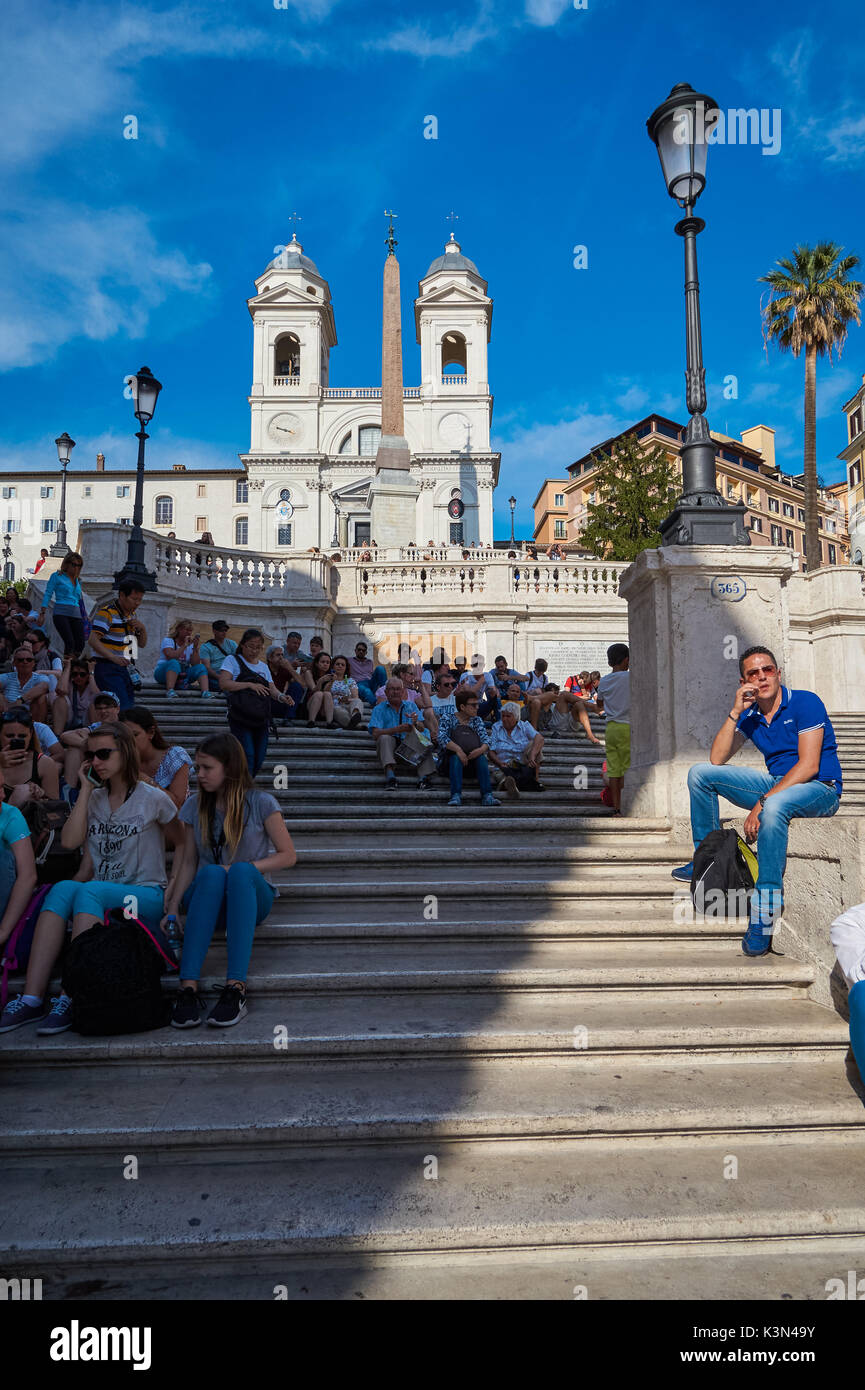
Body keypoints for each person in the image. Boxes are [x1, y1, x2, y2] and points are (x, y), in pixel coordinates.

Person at [0, 721, 180, 1035]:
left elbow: (185, 846)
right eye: (91, 755)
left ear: (125, 753)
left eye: (103, 754)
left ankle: (72, 996)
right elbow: (70, 844)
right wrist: (84, 790)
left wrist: (174, 898)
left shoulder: (154, 799)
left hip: (143, 898)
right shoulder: (93, 799)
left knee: (89, 891)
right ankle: (31, 999)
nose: (95, 761)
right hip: (101, 893)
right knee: (63, 888)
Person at [671, 645, 842, 958]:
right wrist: (736, 711)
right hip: (777, 783)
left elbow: (808, 766)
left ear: (778, 673)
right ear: (743, 680)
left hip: (819, 787)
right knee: (700, 773)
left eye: (767, 670)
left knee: (775, 807)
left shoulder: (805, 702)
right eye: (753, 673)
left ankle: (764, 912)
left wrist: (762, 802)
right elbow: (717, 757)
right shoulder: (750, 715)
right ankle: (704, 859)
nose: (762, 677)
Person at [162, 734, 297, 1028]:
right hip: (207, 897)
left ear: (230, 768)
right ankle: (187, 989)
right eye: (198, 767)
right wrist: (172, 908)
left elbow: (288, 856)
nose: (199, 775)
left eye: (207, 768)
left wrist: (243, 868)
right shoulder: (195, 805)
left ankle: (235, 989)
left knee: (237, 871)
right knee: (211, 872)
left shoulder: (262, 802)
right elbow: (187, 863)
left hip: (249, 895)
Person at [218, 628, 292, 775]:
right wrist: (250, 685)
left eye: (258, 647)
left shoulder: (263, 667)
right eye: (251, 646)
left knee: (259, 757)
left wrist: (282, 697)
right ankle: (244, 790)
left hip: (261, 717)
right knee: (248, 754)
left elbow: (272, 689)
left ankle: (246, 785)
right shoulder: (232, 660)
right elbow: (224, 684)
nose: (254, 650)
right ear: (243, 645)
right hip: (241, 715)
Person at [368, 677, 437, 791]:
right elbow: (375, 733)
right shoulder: (379, 709)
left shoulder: (411, 706)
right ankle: (390, 777)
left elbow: (421, 728)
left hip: (409, 748)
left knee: (424, 738)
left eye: (398, 689)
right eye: (391, 689)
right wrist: (396, 730)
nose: (395, 692)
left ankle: (424, 779)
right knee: (384, 738)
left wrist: (416, 723)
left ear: (403, 691)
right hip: (390, 749)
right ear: (386, 692)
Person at [437, 687, 501, 808]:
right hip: (450, 762)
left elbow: (486, 739)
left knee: (482, 758)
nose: (477, 707)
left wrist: (481, 750)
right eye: (473, 705)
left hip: (472, 760)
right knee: (455, 757)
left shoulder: (477, 720)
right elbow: (441, 738)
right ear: (462, 707)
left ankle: (487, 795)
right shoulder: (448, 717)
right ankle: (455, 795)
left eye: (477, 704)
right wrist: (458, 750)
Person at [88, 579, 147, 710]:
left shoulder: (132, 616)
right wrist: (113, 657)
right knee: (121, 708)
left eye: (140, 600)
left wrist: (142, 629)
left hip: (126, 668)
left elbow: (141, 644)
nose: (137, 603)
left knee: (128, 708)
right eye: (134, 599)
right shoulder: (107, 613)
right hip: (107, 667)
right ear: (121, 595)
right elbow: (92, 639)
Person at [121, 706, 194, 810]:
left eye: (135, 735)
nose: (128, 741)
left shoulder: (175, 756)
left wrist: (144, 779)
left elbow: (176, 804)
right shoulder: (120, 759)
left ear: (151, 733)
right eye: (124, 737)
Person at [0, 781, 38, 960]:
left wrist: (3, 932)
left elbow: (28, 876)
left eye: (1, 787)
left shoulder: (10, 815)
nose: (2, 795)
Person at [58, 690, 123, 790]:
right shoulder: (96, 726)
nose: (103, 711)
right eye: (99, 708)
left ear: (117, 709)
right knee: (73, 749)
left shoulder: (124, 726)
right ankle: (68, 791)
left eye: (107, 707)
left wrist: (93, 745)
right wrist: (87, 743)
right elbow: (65, 736)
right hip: (95, 761)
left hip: (115, 762)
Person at [0, 706, 60, 806]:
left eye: (22, 736)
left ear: (31, 735)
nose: (16, 740)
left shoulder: (44, 764)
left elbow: (55, 808)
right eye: (10, 736)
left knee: (24, 791)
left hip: (29, 820)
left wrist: (42, 795)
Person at [594, 644, 630, 814]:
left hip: (611, 728)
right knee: (628, 768)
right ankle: (629, 803)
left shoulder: (605, 681)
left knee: (614, 770)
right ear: (626, 660)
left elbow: (599, 704)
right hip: (628, 727)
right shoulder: (631, 678)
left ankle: (617, 808)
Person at [488, 702, 545, 797]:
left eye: (508, 716)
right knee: (502, 776)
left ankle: (534, 779)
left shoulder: (525, 726)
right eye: (503, 716)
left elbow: (540, 738)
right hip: (504, 766)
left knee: (534, 744)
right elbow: (491, 752)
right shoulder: (496, 727)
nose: (505, 719)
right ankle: (510, 784)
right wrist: (499, 763)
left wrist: (532, 755)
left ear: (516, 717)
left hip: (522, 764)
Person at [37, 552, 86, 656]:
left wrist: (85, 614)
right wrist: (42, 613)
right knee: (70, 642)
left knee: (80, 643)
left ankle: (72, 665)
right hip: (61, 612)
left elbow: (79, 599)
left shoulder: (78, 580)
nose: (76, 568)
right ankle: (67, 668)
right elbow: (48, 593)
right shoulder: (56, 576)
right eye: (74, 564)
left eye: (79, 565)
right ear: (67, 564)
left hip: (76, 613)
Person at [154, 619, 213, 699]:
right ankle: (170, 690)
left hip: (183, 675)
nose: (189, 633)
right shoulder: (168, 641)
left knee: (201, 667)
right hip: (163, 673)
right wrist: (184, 646)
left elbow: (195, 664)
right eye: (186, 630)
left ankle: (205, 692)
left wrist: (195, 648)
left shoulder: (190, 645)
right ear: (179, 629)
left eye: (190, 631)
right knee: (174, 662)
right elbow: (171, 656)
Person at [53, 655, 101, 735]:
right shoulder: (70, 684)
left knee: (94, 703)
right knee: (60, 699)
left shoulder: (92, 684)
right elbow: (60, 690)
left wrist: (91, 673)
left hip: (88, 720)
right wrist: (68, 667)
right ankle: (57, 736)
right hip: (71, 718)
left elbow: (98, 697)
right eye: (75, 674)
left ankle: (96, 735)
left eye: (82, 674)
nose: (78, 677)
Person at [329, 655, 364, 729]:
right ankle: (356, 726)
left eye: (343, 665)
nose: (340, 666)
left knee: (358, 701)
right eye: (337, 664)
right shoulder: (328, 679)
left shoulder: (350, 680)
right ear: (333, 666)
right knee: (339, 711)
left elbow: (355, 697)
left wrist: (347, 699)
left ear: (346, 668)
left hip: (348, 705)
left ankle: (355, 716)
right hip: (336, 706)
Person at [304, 651, 338, 727]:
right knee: (319, 694)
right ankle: (311, 721)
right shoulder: (309, 673)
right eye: (322, 662)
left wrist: (332, 682)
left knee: (327, 694)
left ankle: (329, 722)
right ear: (316, 663)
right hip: (311, 706)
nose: (325, 664)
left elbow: (326, 691)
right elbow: (314, 690)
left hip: (323, 709)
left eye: (328, 662)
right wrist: (321, 681)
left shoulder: (330, 675)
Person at [348, 640, 386, 705]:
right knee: (367, 691)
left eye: (363, 650)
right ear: (355, 651)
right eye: (359, 649)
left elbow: (371, 674)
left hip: (370, 683)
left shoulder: (369, 662)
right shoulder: (349, 661)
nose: (361, 651)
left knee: (380, 668)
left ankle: (386, 692)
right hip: (358, 684)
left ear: (366, 652)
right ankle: (377, 704)